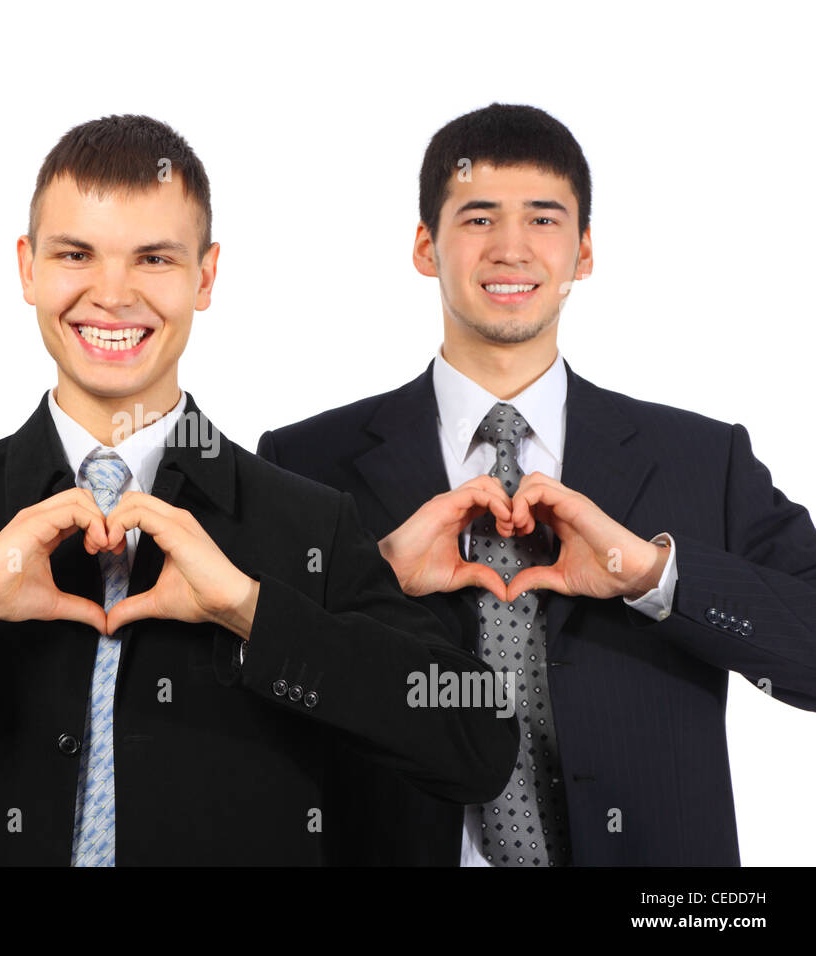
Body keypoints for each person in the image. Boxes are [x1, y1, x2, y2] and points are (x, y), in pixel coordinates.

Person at [0, 113, 518, 865]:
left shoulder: (307, 522)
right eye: (76, 255)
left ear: (206, 277)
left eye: (154, 258)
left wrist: (251, 612)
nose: (111, 295)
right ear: (28, 268)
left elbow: (478, 744)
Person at [257, 102, 816, 866]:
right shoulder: (305, 459)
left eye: (543, 219)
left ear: (583, 252)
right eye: (479, 218)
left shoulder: (701, 459)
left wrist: (653, 575)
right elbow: (241, 703)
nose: (511, 248)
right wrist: (371, 581)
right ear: (425, 246)